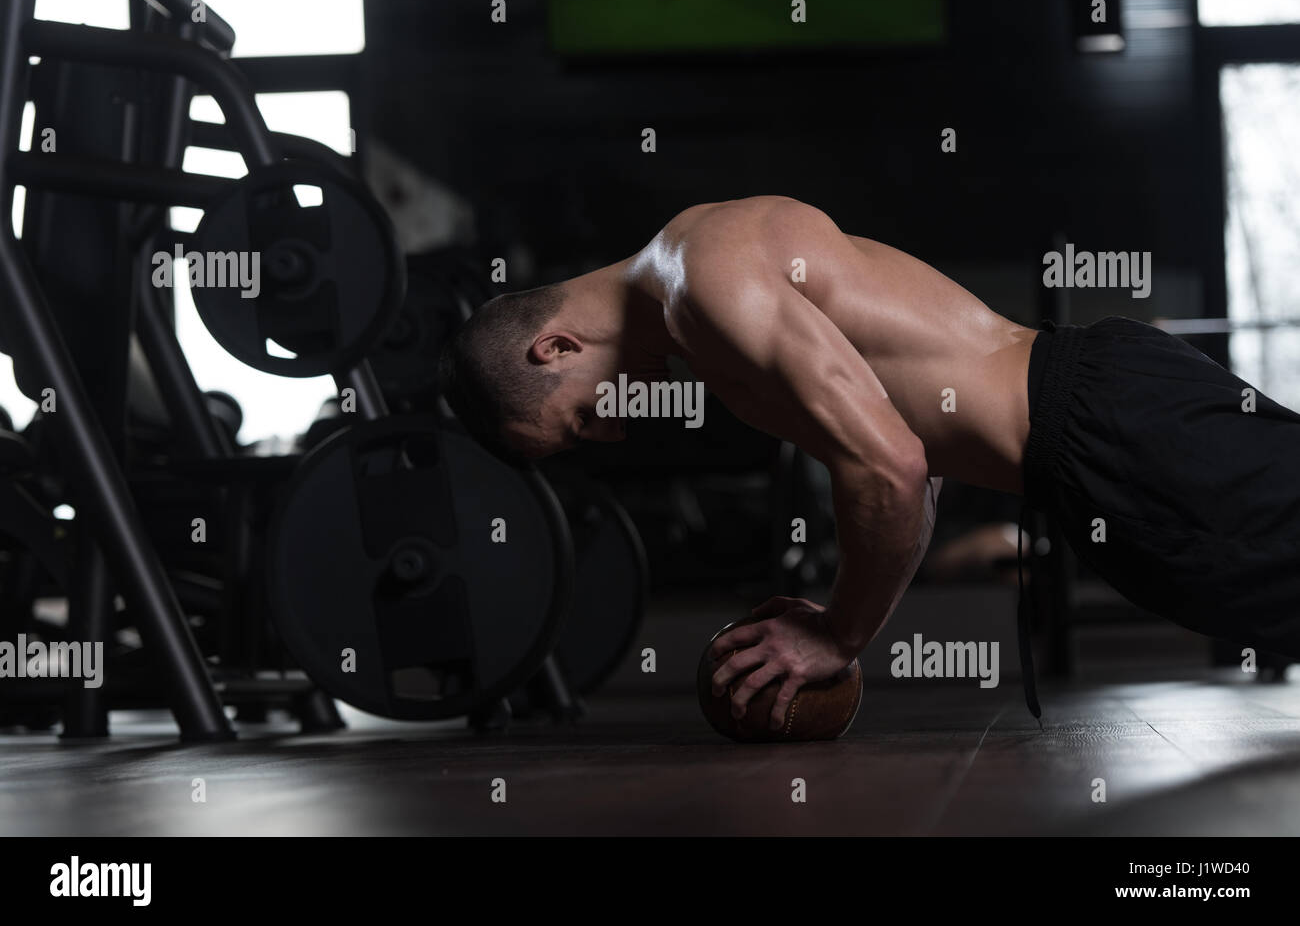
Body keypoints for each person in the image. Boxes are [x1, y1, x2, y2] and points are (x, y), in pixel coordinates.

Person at [438, 195, 1300, 728]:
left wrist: (840, 632)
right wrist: (836, 626)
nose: (612, 431)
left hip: (1104, 426)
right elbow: (905, 469)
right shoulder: (696, 299)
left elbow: (891, 466)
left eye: (582, 419)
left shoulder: (707, 285)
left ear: (554, 347)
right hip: (1086, 456)